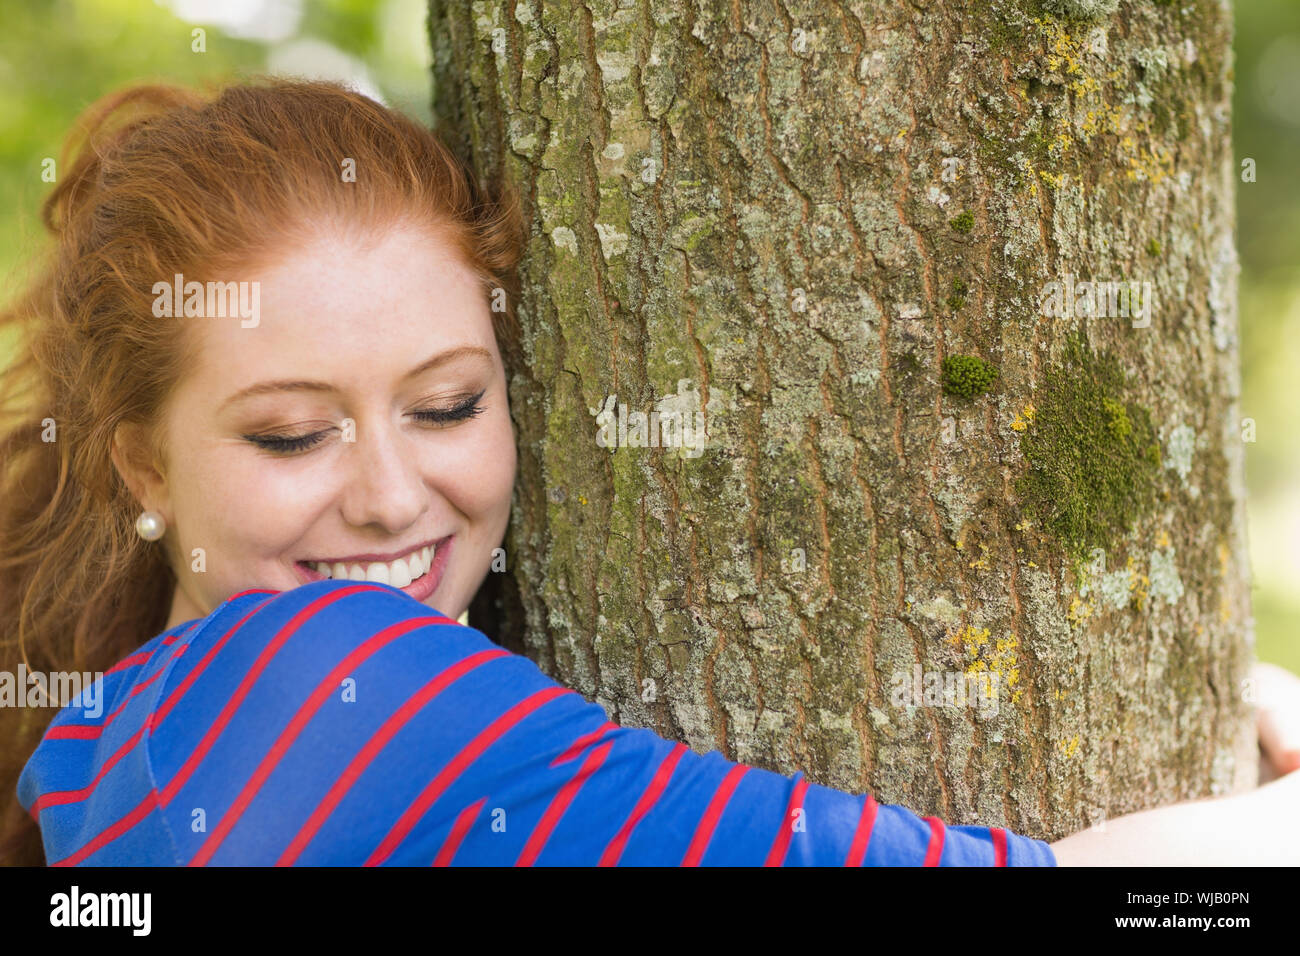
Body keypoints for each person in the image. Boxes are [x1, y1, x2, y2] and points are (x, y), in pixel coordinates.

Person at [2, 78, 1297, 866]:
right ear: (141, 467)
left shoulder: (106, 755)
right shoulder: (331, 691)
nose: (393, 497)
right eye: (292, 434)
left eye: (449, 404)